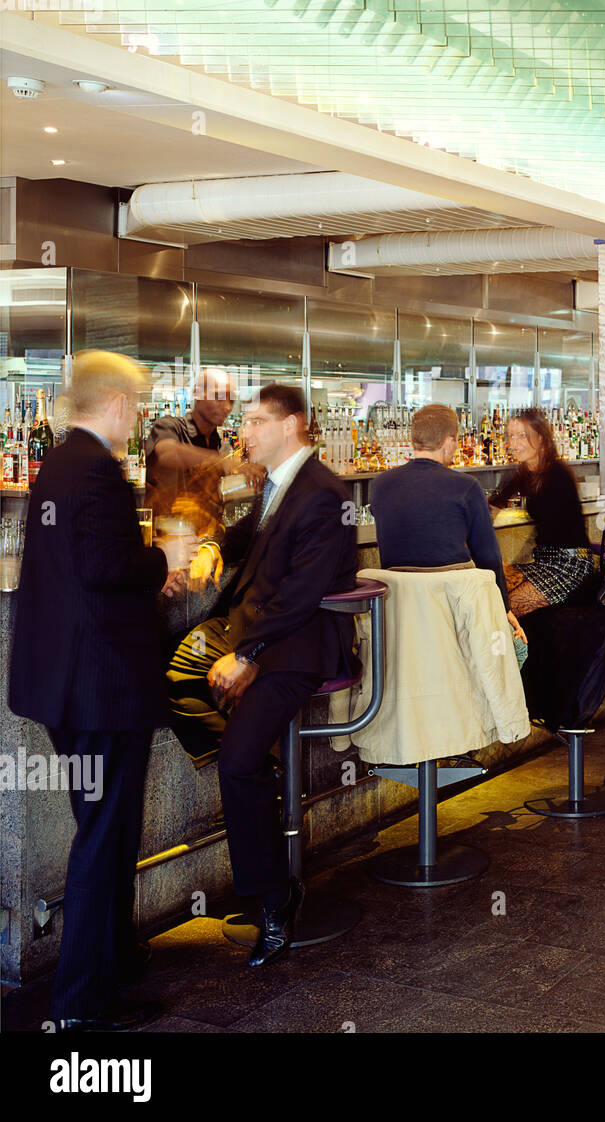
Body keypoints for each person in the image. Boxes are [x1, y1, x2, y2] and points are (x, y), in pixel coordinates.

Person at [8, 351, 189, 1031]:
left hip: (64, 686)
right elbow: (104, 565)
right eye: (137, 405)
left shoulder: (59, 461)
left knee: (104, 831)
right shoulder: (98, 470)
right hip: (101, 687)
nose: (139, 417)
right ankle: (81, 1004)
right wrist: (162, 559)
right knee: (103, 837)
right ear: (115, 401)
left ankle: (113, 970)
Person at [166, 383, 357, 967]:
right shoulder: (280, 484)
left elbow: (303, 591)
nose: (242, 432)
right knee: (174, 680)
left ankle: (276, 900)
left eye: (253, 421)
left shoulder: (324, 493)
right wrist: (210, 546)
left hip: (294, 649)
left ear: (291, 425)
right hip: (260, 638)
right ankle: (270, 784)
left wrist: (247, 655)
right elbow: (248, 534)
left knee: (237, 761)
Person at [369, 403, 525, 642]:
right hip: (455, 616)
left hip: (400, 619)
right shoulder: (466, 487)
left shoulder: (380, 485)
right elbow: (488, 557)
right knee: (517, 646)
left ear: (413, 441)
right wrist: (503, 609)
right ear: (449, 441)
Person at [488, 407, 594, 616]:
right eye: (511, 437)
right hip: (544, 561)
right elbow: (492, 506)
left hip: (570, 565)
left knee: (505, 609)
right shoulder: (523, 473)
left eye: (522, 437)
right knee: (491, 593)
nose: (514, 444)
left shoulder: (558, 474)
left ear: (541, 438)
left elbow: (559, 526)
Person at [145, 367, 264, 522]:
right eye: (219, 397)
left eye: (231, 400)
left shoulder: (221, 447)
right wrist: (226, 462)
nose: (227, 407)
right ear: (197, 393)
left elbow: (222, 494)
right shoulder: (169, 427)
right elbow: (167, 453)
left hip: (207, 540)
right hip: (167, 536)